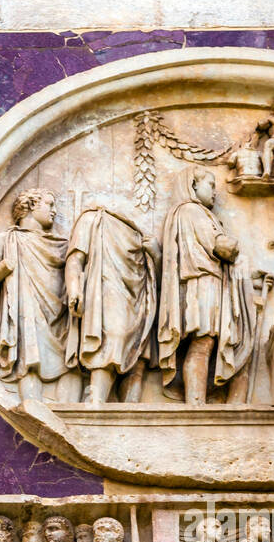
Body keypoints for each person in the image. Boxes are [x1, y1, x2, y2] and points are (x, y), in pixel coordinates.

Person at [154, 167, 254, 405]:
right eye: (210, 185)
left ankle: (195, 400)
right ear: (193, 186)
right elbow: (223, 248)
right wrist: (237, 247)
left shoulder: (183, 213)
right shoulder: (193, 211)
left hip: (196, 284)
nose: (215, 192)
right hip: (202, 284)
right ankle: (195, 404)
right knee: (202, 344)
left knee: (202, 345)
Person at [0, 187, 73, 401]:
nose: (54, 211)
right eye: (49, 204)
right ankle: (32, 405)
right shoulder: (5, 240)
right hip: (27, 311)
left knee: (70, 361)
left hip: (62, 313)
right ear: (31, 206)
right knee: (30, 357)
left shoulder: (62, 246)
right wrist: (5, 266)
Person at [64, 199, 158, 403]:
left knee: (140, 352)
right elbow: (75, 259)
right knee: (111, 339)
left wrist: (156, 254)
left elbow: (158, 276)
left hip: (140, 293)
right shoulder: (92, 218)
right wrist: (74, 290)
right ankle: (95, 400)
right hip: (108, 287)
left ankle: (130, 411)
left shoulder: (137, 234)